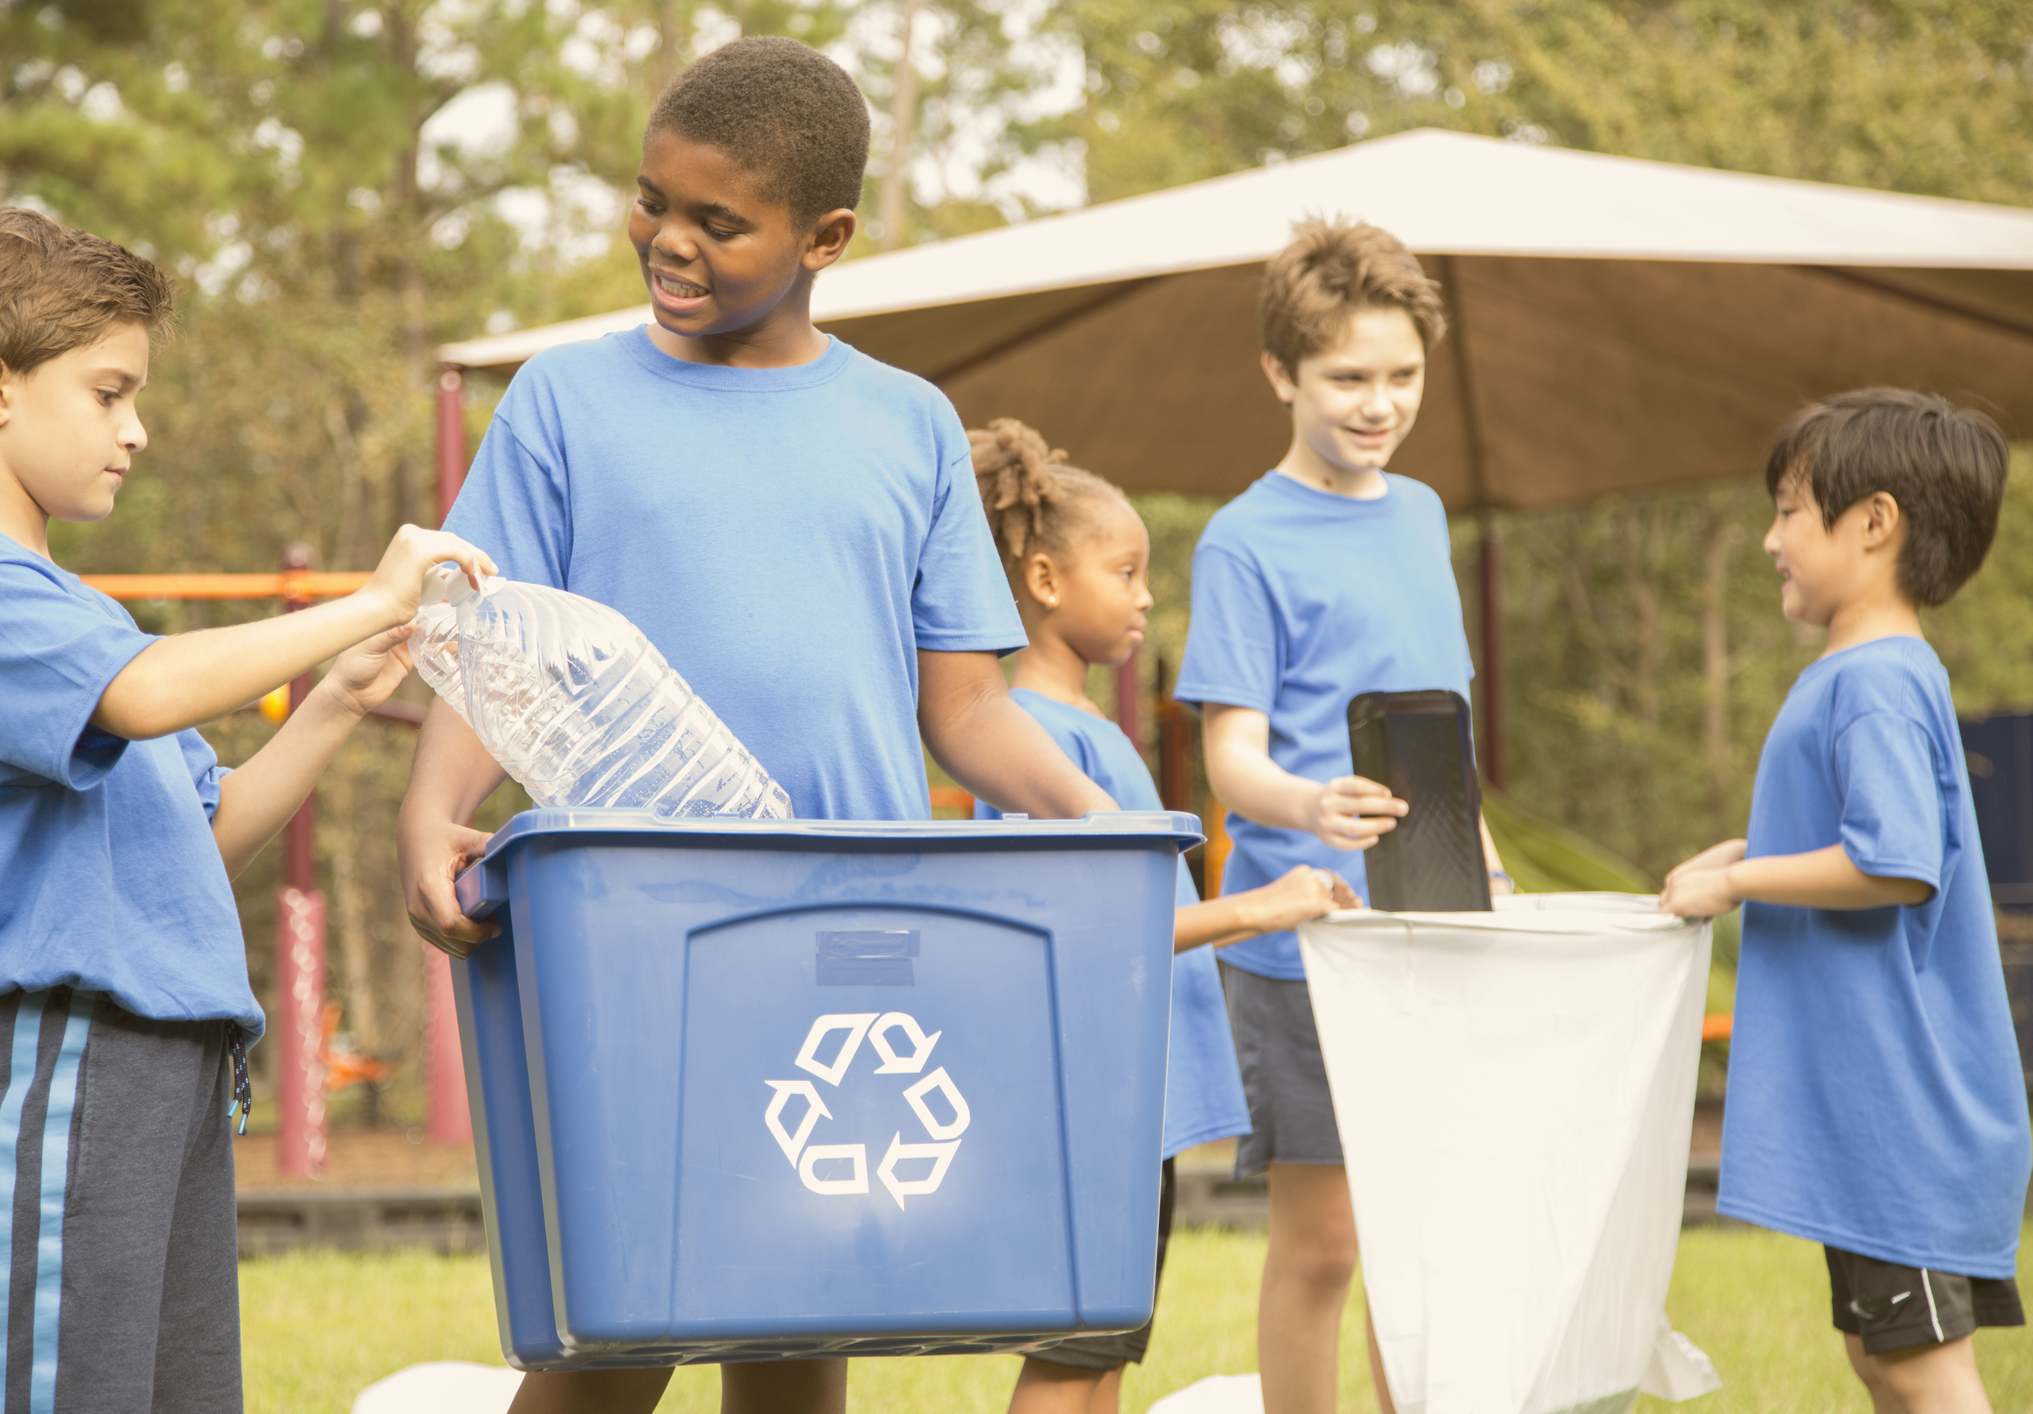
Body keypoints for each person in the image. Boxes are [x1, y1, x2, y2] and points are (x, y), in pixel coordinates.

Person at [394, 39, 1117, 1414]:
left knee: (798, 1309)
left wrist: (1089, 816)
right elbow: (491, 652)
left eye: (716, 221)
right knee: (616, 1327)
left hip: (841, 920)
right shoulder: (566, 400)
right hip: (634, 914)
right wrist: (432, 810)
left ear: (825, 236)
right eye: (651, 199)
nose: (666, 239)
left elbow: (963, 705)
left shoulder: (907, 425)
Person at [0, 188, 492, 1412]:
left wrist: (334, 696)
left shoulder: (77, 614)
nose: (137, 429)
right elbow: (149, 695)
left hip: (165, 1073)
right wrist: (371, 599)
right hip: (63, 1057)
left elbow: (203, 827)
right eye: (109, 392)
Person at [1174, 216, 1508, 1414]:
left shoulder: (1420, 515)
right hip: (1305, 941)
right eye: (1348, 378)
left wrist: (1493, 872)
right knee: (1324, 1246)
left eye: (1403, 375)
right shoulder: (1243, 540)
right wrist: (1309, 800)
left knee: (1421, 1246)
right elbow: (1231, 757)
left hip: (1437, 930)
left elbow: (1445, 730)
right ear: (1281, 374)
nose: (1380, 404)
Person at [964, 418, 1357, 1414]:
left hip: (1140, 1107)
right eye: (1125, 570)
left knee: (1106, 1353)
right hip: (1087, 1104)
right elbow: (1079, 928)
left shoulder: (1087, 733)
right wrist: (1258, 907)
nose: (1145, 596)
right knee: (1071, 1353)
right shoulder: (1030, 744)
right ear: (1047, 581)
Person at [1660, 389, 2029, 1414]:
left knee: (1923, 1367)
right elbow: (1869, 840)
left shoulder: (1872, 678)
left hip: (1900, 1111)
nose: (1771, 538)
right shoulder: (1866, 674)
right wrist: (1750, 851)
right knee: (1884, 1359)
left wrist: (1738, 881)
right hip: (1878, 1110)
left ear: (1874, 521)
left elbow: (1896, 861)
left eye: (1788, 509)